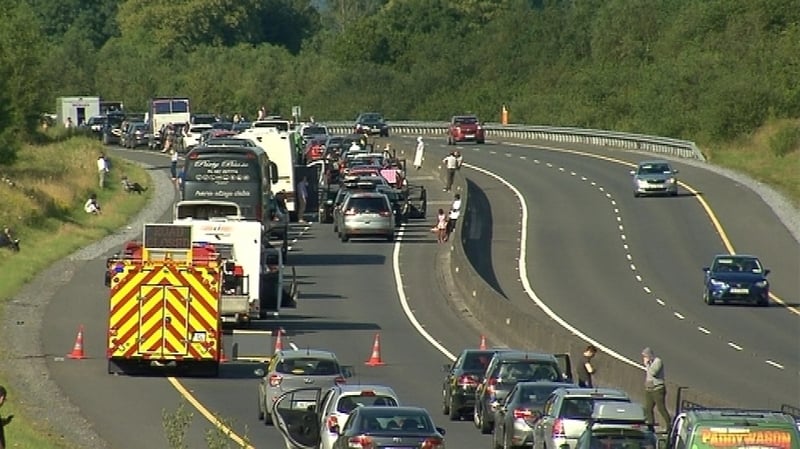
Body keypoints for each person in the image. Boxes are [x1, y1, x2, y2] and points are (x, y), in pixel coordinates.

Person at [642, 347, 671, 432]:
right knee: (648, 408)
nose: (644, 358)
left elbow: (653, 372)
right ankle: (650, 426)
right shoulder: (649, 363)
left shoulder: (657, 362)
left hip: (658, 389)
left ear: (649, 356)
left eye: (645, 356)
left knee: (661, 408)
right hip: (649, 389)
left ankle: (669, 426)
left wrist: (647, 365)